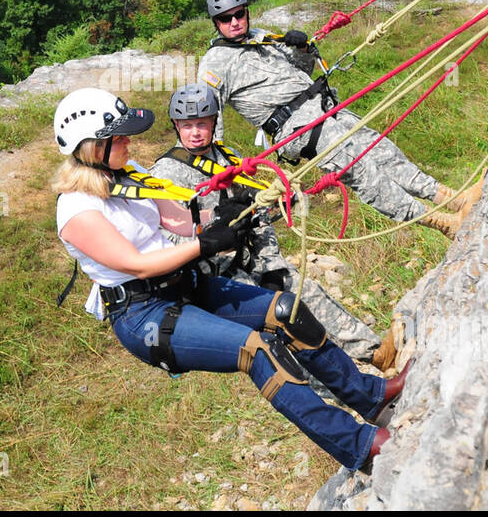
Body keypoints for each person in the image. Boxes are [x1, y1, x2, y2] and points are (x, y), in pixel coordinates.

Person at [53, 87, 409, 473]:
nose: (128, 142)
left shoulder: (127, 175)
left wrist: (229, 214)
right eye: (117, 137)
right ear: (90, 146)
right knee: (257, 350)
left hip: (184, 284)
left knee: (286, 310)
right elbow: (137, 264)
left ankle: (372, 395)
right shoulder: (76, 209)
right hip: (144, 314)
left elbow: (182, 221)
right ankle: (360, 445)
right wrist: (205, 245)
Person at [196, 0, 481, 238]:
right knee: (362, 172)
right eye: (225, 18)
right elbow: (210, 114)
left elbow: (303, 69)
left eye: (239, 14)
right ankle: (443, 222)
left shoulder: (261, 37)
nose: (234, 22)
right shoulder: (214, 63)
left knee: (381, 149)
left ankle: (451, 197)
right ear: (216, 23)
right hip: (297, 129)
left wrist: (302, 47)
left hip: (324, 106)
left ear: (247, 12)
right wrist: (222, 168)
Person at [149, 82, 390, 366]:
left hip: (251, 258)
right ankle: (330, 384)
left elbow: (259, 214)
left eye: (202, 123)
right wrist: (212, 231)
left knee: (305, 292)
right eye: (187, 125)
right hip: (212, 276)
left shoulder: (230, 158)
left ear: (214, 122)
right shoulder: (164, 174)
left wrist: (272, 266)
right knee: (280, 328)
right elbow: (166, 237)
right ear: (176, 126)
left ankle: (375, 352)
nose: (195, 132)